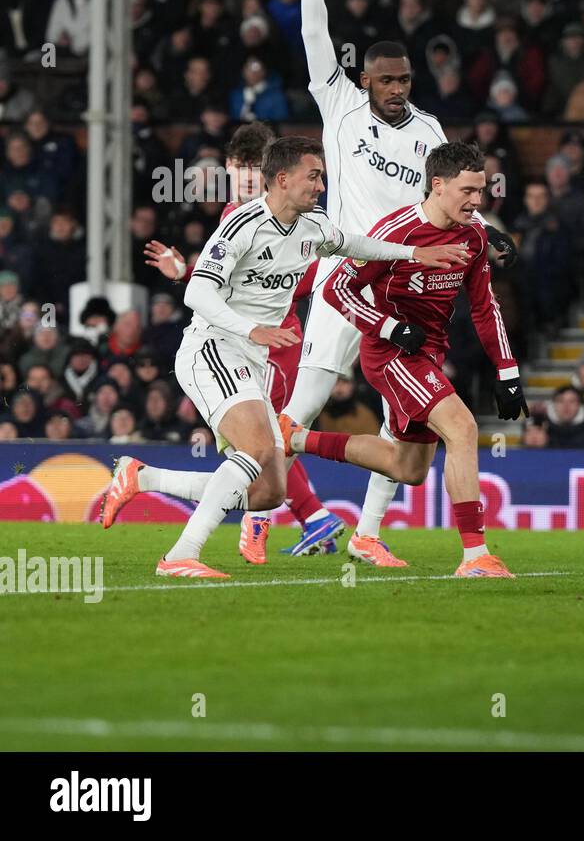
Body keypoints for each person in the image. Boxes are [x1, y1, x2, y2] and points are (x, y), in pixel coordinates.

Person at [97, 136, 457, 578]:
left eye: (322, 176)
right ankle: (179, 556)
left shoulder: (313, 226)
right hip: (212, 348)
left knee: (267, 490)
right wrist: (251, 328)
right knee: (256, 449)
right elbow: (197, 291)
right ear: (283, 180)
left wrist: (413, 252)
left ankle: (142, 477)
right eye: (314, 176)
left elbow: (356, 244)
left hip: (251, 357)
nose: (321, 186)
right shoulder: (241, 224)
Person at [282, 0, 517, 555]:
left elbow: (450, 197)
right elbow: (313, 31)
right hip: (347, 273)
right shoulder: (339, 103)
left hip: (405, 285)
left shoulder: (431, 133)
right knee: (304, 402)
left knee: (403, 418)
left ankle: (365, 534)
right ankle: (256, 511)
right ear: (366, 79)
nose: (396, 88)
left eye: (404, 79)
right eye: (385, 79)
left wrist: (488, 228)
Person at [290, 142, 527, 576]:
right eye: (469, 191)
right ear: (437, 186)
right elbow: (335, 290)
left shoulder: (473, 234)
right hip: (391, 354)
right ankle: (476, 557)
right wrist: (389, 328)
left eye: (482, 191)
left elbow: (484, 307)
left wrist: (507, 372)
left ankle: (299, 439)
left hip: (428, 354)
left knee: (408, 468)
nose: (478, 201)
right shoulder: (394, 233)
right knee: (463, 427)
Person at [141, 122, 354, 559]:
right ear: (228, 168)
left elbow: (306, 276)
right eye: (239, 168)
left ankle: (283, 521)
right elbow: (219, 284)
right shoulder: (233, 216)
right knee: (262, 441)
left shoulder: (293, 219)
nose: (245, 177)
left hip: (276, 343)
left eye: (253, 169)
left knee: (264, 441)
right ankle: (310, 517)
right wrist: (183, 273)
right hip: (236, 343)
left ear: (272, 173)